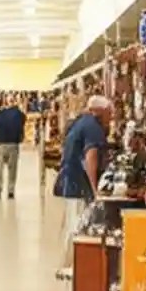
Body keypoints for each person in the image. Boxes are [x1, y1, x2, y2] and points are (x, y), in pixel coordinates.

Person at [52, 96, 112, 280]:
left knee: (71, 222)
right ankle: (71, 266)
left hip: (70, 180)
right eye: (109, 113)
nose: (110, 118)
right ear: (100, 111)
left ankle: (67, 264)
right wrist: (95, 189)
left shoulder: (80, 122)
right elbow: (90, 158)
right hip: (79, 183)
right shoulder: (93, 128)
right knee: (78, 224)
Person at [0, 97, 27, 199]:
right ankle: (11, 190)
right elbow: (24, 119)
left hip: (2, 144)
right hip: (13, 144)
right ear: (14, 102)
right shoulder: (18, 114)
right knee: (12, 169)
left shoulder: (0, 113)